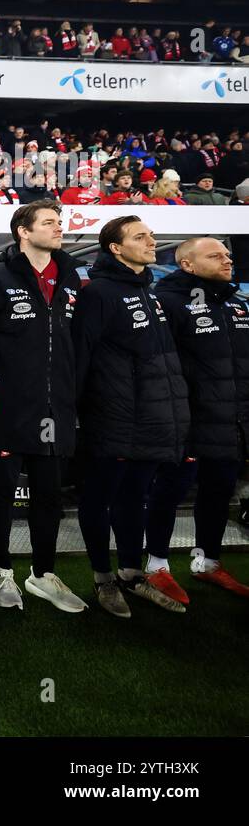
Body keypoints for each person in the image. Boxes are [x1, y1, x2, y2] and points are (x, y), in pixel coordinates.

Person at [0, 201, 88, 613]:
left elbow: (80, 344)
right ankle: (1, 571)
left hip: (58, 409)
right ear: (23, 230)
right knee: (0, 494)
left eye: (60, 222)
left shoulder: (71, 277)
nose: (59, 228)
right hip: (6, 409)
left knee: (49, 496)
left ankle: (43, 574)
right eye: (50, 223)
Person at [73, 216, 190, 617]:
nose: (151, 241)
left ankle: (130, 573)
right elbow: (81, 359)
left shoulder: (151, 292)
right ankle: (103, 579)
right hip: (112, 420)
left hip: (152, 419)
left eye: (152, 234)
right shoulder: (98, 294)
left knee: (134, 499)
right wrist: (82, 413)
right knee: (99, 499)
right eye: (141, 237)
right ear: (116, 248)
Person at [143, 237, 249, 599]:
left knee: (219, 492)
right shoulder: (167, 302)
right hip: (184, 421)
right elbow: (156, 366)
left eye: (228, 254)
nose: (227, 259)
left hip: (229, 421)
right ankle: (156, 564)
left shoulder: (236, 303)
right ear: (187, 265)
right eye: (215, 255)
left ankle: (207, 562)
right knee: (170, 490)